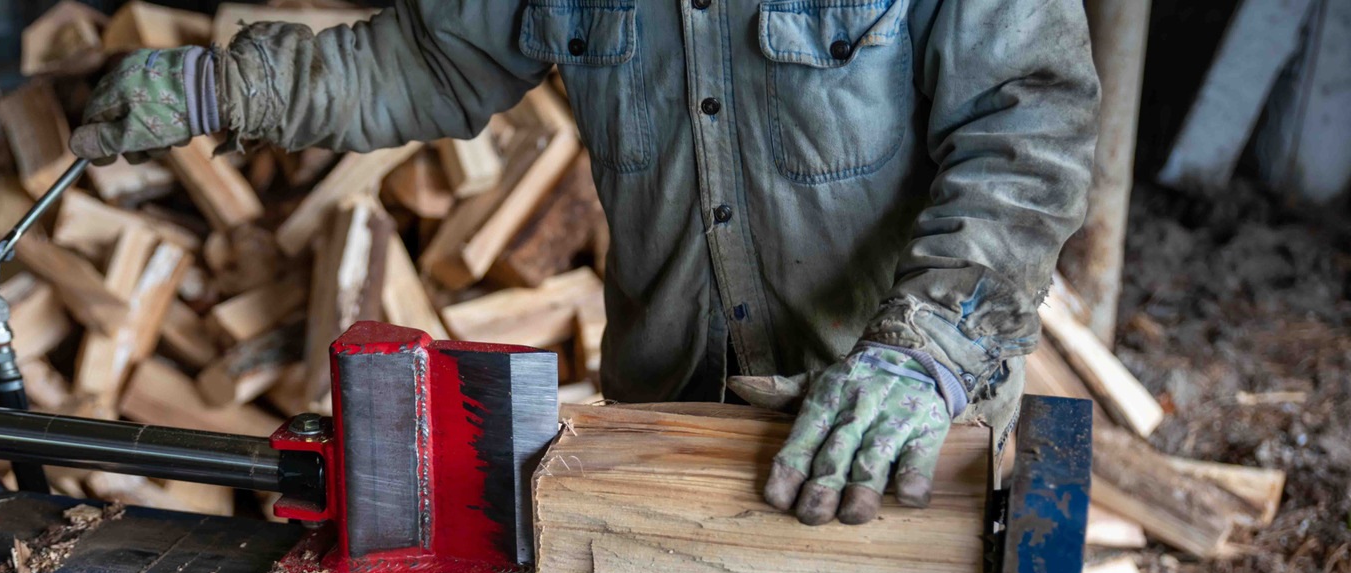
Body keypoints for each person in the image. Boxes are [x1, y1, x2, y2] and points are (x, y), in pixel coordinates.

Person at [71, 0, 1099, 526]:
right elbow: (425, 60)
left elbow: (1030, 128)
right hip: (678, 423)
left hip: (905, 428)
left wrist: (925, 352)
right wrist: (227, 87)